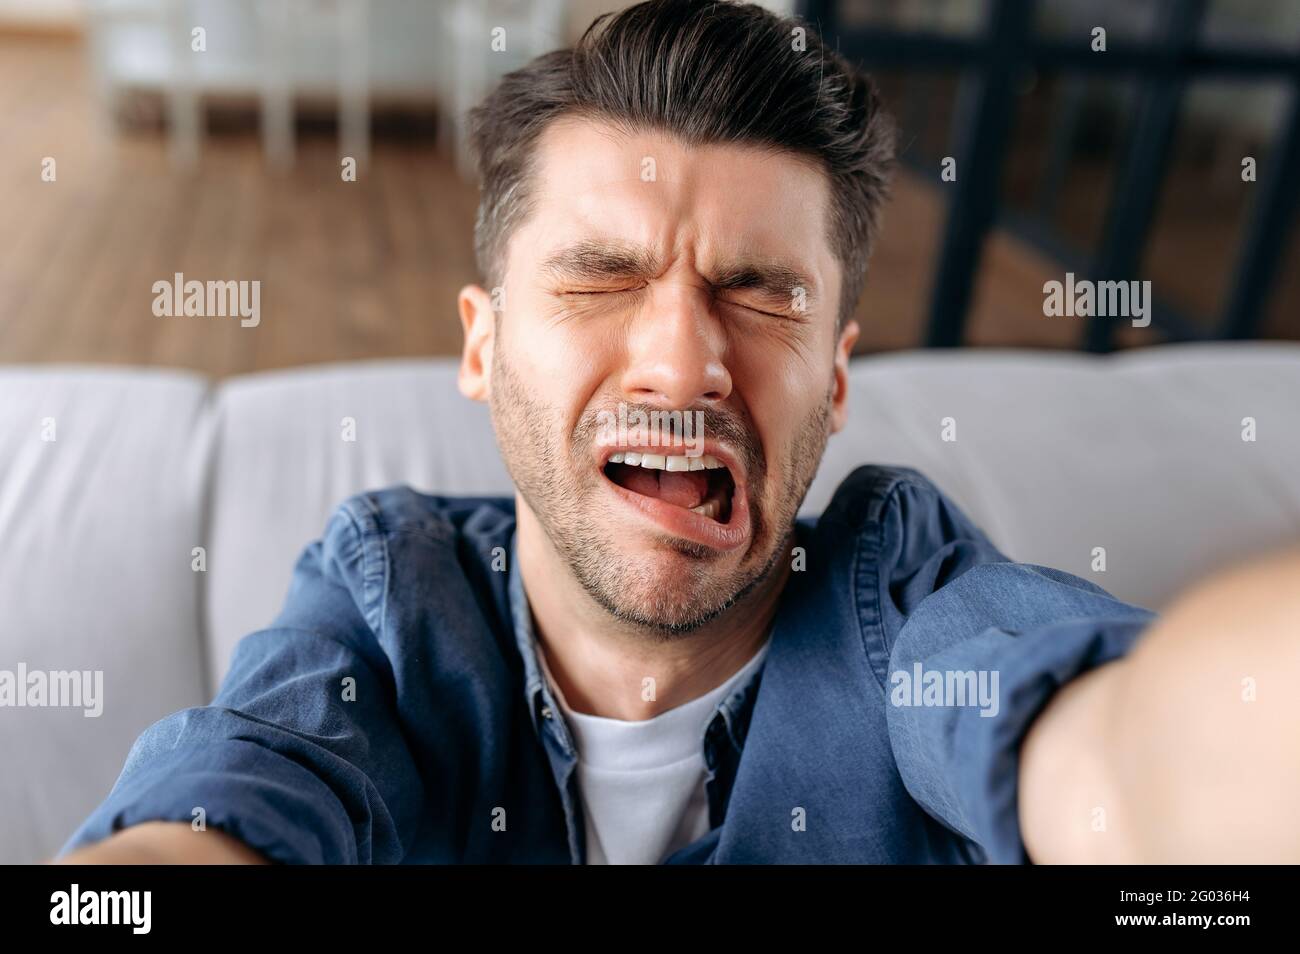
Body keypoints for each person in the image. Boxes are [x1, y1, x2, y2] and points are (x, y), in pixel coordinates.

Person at [59, 0, 1300, 865]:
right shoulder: (390, 599)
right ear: (483, 348)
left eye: (760, 293)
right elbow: (224, 812)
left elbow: (1119, 764)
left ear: (834, 384)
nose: (683, 361)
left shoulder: (908, 602)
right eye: (602, 276)